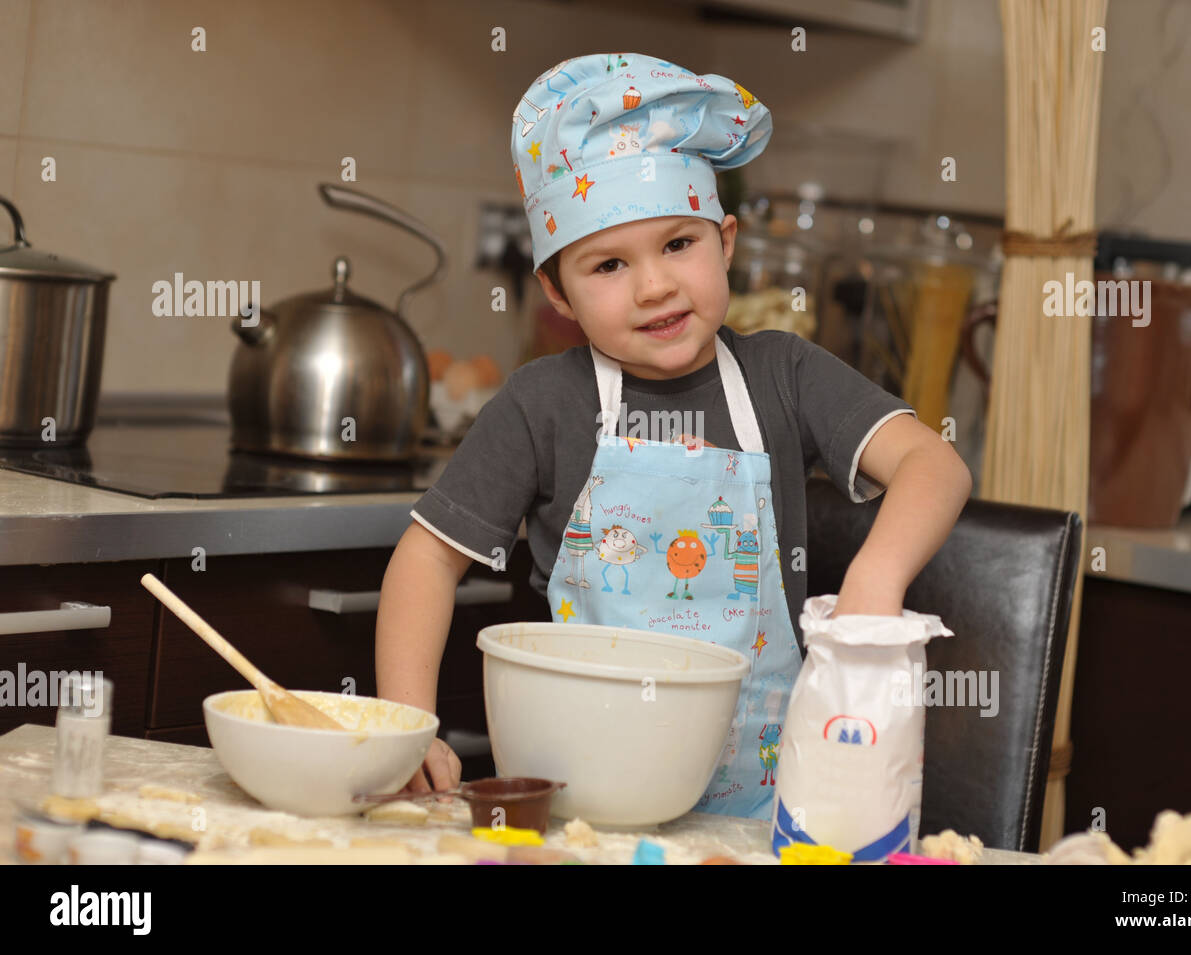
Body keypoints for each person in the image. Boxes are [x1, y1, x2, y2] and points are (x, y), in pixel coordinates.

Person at [376, 52, 971, 820]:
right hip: (581, 806)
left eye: (678, 245)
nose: (655, 285)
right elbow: (426, 558)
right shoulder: (543, 403)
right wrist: (406, 724)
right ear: (557, 290)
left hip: (760, 810)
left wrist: (873, 584)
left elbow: (935, 465)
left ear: (725, 242)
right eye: (610, 264)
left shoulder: (785, 376)